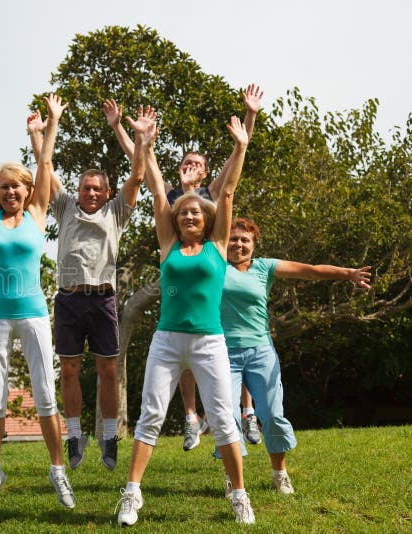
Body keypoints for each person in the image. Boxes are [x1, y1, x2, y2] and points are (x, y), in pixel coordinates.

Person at [105, 84, 265, 451]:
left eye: (197, 163)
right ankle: (192, 417)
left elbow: (234, 170)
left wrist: (250, 117)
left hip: (209, 281)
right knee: (180, 346)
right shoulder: (170, 202)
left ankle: (245, 412)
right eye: (185, 163)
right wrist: (126, 132)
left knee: (226, 342)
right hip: (178, 280)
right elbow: (144, 167)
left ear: (206, 171)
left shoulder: (209, 195)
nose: (190, 166)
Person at [116, 108, 256, 526]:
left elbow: (227, 191)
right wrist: (145, 143)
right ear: (176, 220)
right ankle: (131, 494)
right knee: (151, 416)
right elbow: (158, 189)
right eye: (183, 213)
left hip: (210, 341)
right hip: (167, 341)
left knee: (223, 417)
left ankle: (240, 495)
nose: (189, 215)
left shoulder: (217, 243)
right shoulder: (168, 246)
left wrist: (240, 145)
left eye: (196, 212)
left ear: (207, 219)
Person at [0, 94, 75, 511]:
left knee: (44, 394)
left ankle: (58, 470)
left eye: (15, 186)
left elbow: (45, 165)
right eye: (3, 187)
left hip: (35, 314)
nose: (9, 192)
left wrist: (51, 124)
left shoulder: (39, 211)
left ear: (27, 190)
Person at [25, 103, 143, 471]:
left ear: (107, 193)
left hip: (103, 299)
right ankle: (74, 433)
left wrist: (135, 134)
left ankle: (110, 435)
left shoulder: (116, 211)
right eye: (85, 188)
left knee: (108, 370)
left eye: (97, 189)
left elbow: (138, 176)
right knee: (71, 368)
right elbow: (45, 168)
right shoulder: (63, 206)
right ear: (77, 191)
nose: (91, 193)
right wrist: (36, 134)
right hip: (69, 300)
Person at [217, 217, 371, 496]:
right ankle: (233, 477)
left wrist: (346, 273)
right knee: (226, 417)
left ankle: (280, 474)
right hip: (223, 353)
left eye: (244, 239)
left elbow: (310, 271)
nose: (238, 244)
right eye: (233, 238)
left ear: (254, 244)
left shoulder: (265, 267)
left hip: (261, 351)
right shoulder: (214, 265)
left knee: (273, 414)